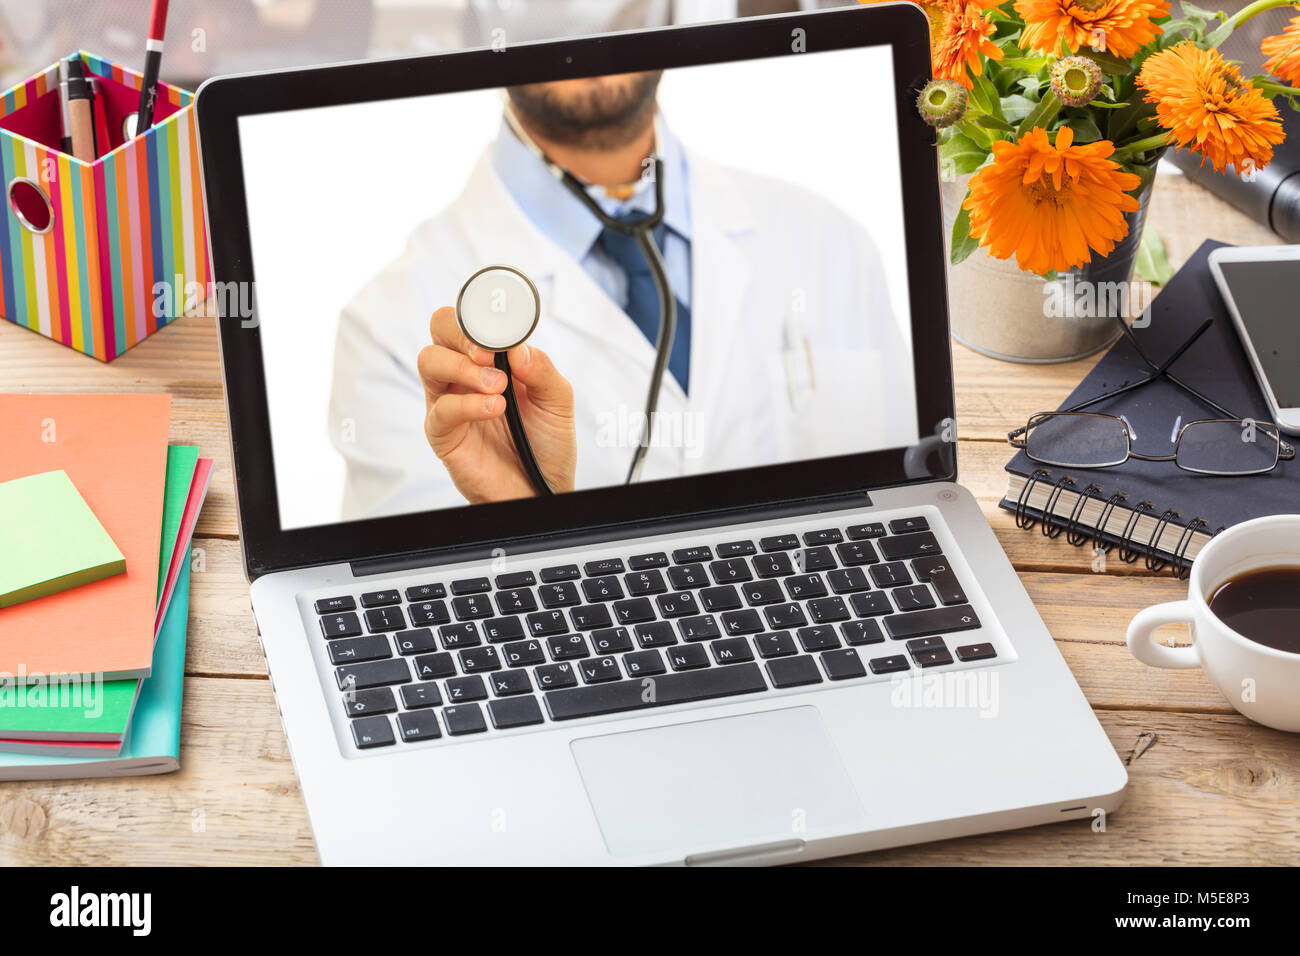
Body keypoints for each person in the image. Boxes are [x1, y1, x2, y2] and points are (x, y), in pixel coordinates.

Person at [328, 70, 915, 521]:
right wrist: (524, 521)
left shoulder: (832, 242)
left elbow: (906, 508)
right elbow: (426, 645)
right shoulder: (388, 330)